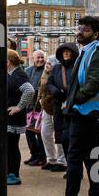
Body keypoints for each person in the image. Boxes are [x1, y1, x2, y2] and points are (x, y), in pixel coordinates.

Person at [42, 17, 99, 196]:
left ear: (96, 33)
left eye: (86, 29)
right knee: (91, 160)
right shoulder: (88, 51)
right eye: (79, 28)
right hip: (89, 113)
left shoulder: (97, 53)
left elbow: (94, 83)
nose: (80, 32)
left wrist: (73, 102)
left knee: (74, 159)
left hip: (86, 113)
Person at [38, 43, 75, 173]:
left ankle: (63, 161)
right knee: (51, 133)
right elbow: (49, 84)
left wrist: (65, 93)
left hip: (69, 105)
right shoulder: (55, 70)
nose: (46, 65)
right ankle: (53, 159)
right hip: (53, 105)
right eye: (63, 52)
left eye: (68, 52)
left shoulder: (74, 68)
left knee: (65, 134)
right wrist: (56, 91)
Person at [1, 50, 34, 186]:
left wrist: (19, 107)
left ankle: (14, 174)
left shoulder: (18, 75)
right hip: (10, 116)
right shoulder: (12, 74)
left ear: (8, 62)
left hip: (14, 117)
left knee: (12, 146)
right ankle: (9, 172)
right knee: (9, 146)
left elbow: (30, 90)